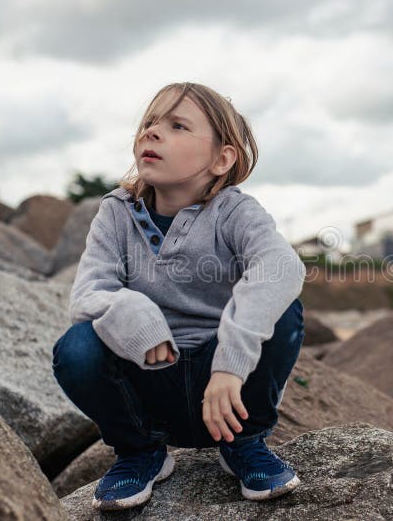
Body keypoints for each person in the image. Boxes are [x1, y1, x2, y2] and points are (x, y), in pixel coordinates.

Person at [52, 82, 307, 511]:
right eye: (149, 123)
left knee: (285, 313)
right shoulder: (116, 211)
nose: (151, 132)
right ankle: (141, 452)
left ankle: (245, 445)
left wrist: (231, 363)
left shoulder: (234, 212)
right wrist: (130, 310)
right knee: (77, 347)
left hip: (227, 393)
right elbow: (89, 292)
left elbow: (282, 267)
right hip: (151, 378)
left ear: (221, 158)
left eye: (177, 125)